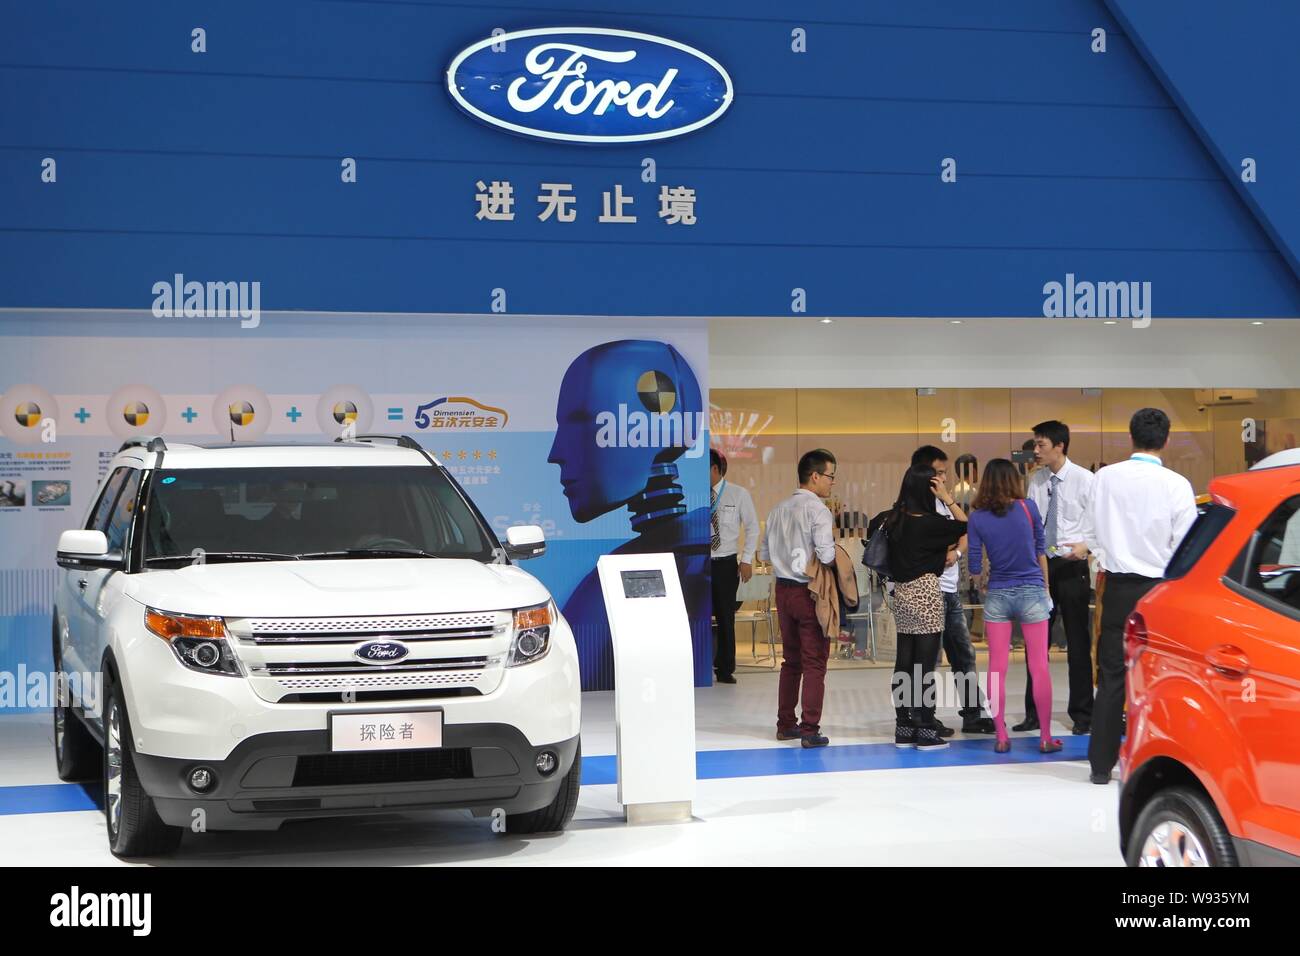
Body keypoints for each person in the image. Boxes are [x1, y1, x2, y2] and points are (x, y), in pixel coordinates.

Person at [1086, 408, 1197, 784]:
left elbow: (1092, 533)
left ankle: (1100, 767)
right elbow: (1185, 546)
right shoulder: (1176, 484)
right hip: (1158, 592)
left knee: (1112, 676)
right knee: (1157, 681)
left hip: (1117, 587)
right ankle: (1151, 765)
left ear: (1130, 436)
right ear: (1165, 440)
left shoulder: (1104, 478)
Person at [967, 459, 1064, 754]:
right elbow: (1039, 551)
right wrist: (1045, 588)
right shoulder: (1028, 508)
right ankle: (1046, 737)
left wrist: (983, 577)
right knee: (1039, 667)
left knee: (997, 669)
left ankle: (1000, 736)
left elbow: (973, 564)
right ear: (1013, 480)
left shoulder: (977, 517)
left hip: (998, 592)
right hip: (1032, 590)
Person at [872, 464, 968, 751]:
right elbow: (965, 524)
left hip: (901, 594)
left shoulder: (892, 520)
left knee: (904, 664)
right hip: (926, 593)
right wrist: (947, 498)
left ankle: (903, 727)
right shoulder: (929, 522)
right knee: (924, 667)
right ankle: (926, 728)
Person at [1016, 421, 1096, 735]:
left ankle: (1082, 714)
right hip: (1041, 567)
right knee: (1036, 644)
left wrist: (1086, 547)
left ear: (1059, 446)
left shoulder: (1085, 480)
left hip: (1072, 565)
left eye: (1041, 445)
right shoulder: (1036, 481)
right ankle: (1034, 713)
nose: (1036, 451)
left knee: (1078, 642)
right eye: (1035, 445)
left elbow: (1097, 522)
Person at [912, 446, 995, 735]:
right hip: (925, 594)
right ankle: (924, 718)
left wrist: (956, 554)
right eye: (939, 472)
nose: (944, 478)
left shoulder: (946, 504)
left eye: (945, 473)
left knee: (963, 653)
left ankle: (973, 714)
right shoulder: (912, 508)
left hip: (948, 591)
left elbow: (968, 530)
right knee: (927, 661)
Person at [759, 449, 839, 748]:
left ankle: (785, 725)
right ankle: (810, 729)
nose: (832, 482)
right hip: (810, 592)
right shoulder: (818, 510)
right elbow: (827, 554)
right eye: (830, 476)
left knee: (791, 661)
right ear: (815, 475)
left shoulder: (778, 508)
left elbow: (764, 554)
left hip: (783, 590)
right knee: (815, 661)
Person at [710, 448, 758, 684]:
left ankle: (725, 668)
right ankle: (698, 664)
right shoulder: (694, 493)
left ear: (716, 469)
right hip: (698, 564)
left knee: (725, 617)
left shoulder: (738, 494)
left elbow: (752, 528)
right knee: (697, 617)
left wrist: (747, 559)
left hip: (725, 563)